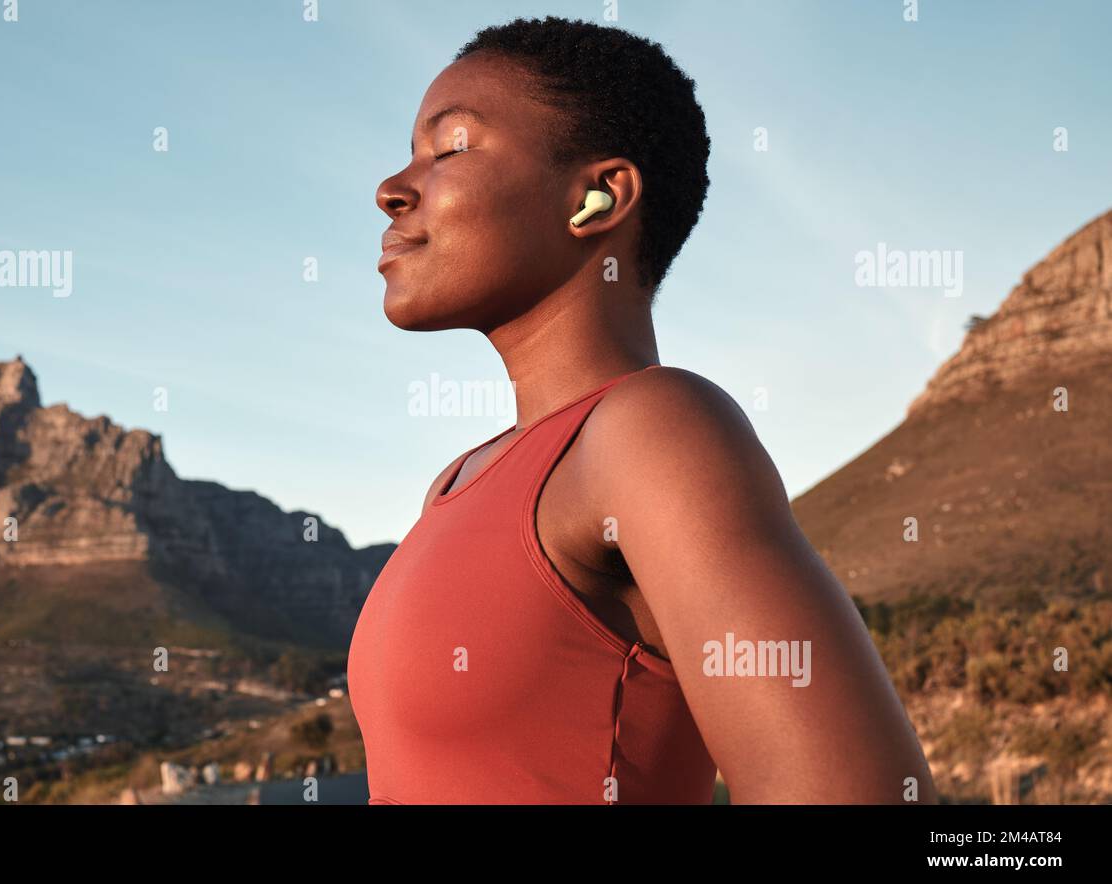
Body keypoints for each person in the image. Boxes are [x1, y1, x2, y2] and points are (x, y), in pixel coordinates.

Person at [347, 15, 936, 805]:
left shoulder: (652, 429)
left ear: (598, 198)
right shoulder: (457, 482)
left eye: (450, 146)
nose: (393, 188)